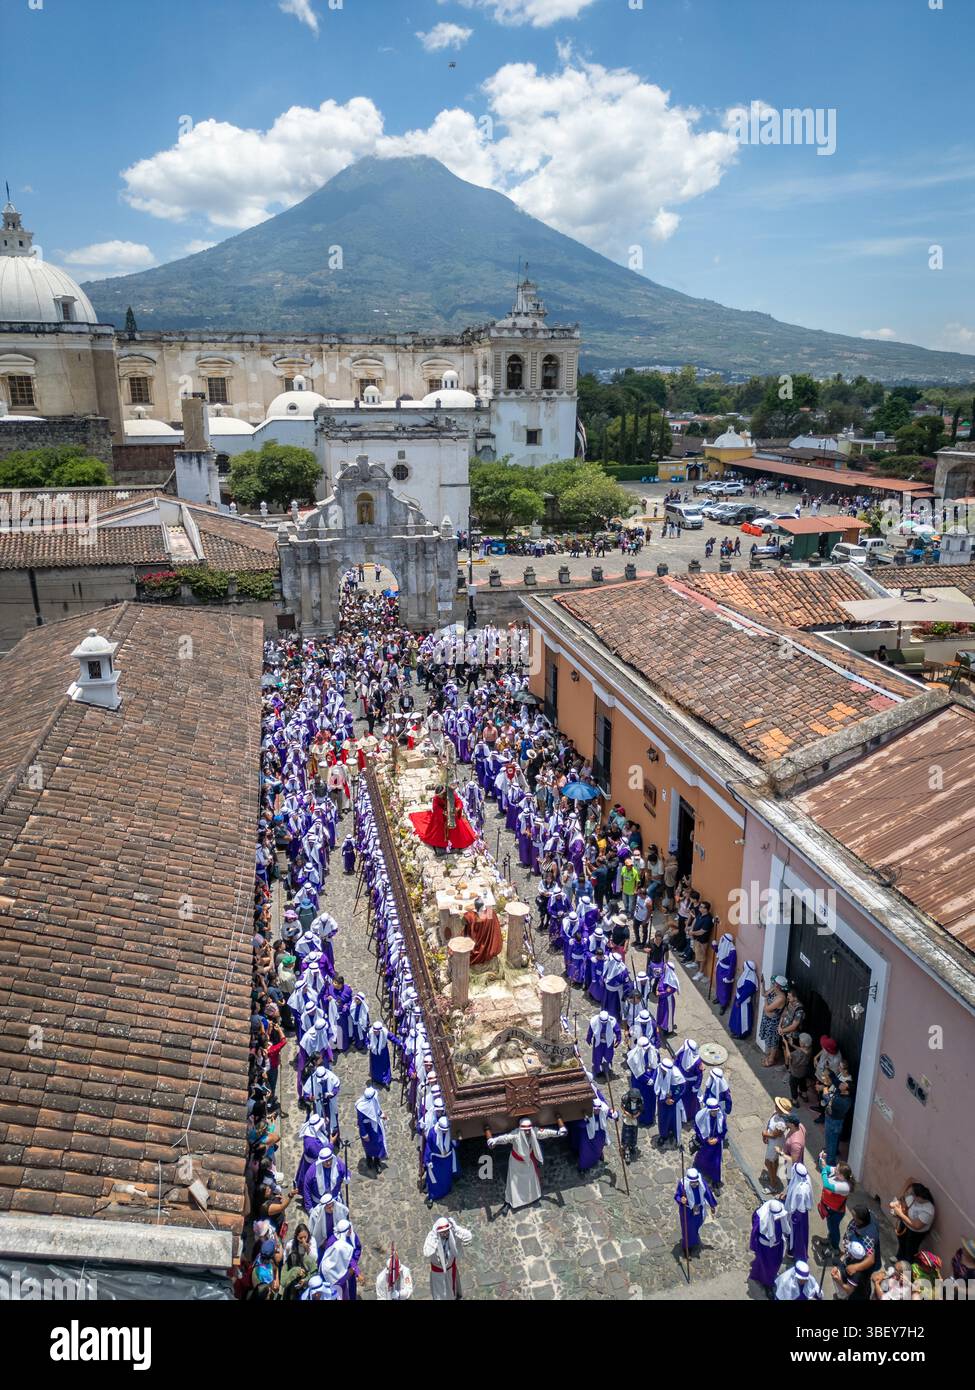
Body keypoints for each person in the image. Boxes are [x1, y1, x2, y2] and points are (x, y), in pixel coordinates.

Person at [486, 1116, 567, 1208]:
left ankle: (533, 1198)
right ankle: (512, 1201)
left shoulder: (534, 1131)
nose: (528, 1132)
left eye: (529, 1129)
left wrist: (557, 1132)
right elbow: (505, 1138)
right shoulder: (515, 1135)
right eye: (526, 1130)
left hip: (529, 1162)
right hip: (516, 1163)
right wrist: (494, 1140)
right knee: (514, 1182)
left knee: (531, 1181)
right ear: (521, 1129)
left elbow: (545, 1133)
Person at [424, 1216, 473, 1300]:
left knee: (453, 1291)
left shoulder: (452, 1234)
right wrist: (434, 1237)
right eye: (442, 1232)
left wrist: (457, 1228)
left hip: (451, 1269)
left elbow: (468, 1237)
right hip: (438, 1272)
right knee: (440, 1294)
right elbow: (427, 1253)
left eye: (446, 1231)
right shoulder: (432, 1237)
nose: (445, 1234)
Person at [748, 1198, 791, 1295]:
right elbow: (755, 1232)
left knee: (775, 1263)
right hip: (765, 1248)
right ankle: (767, 1284)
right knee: (768, 1266)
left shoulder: (781, 1210)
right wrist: (755, 1246)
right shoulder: (760, 1217)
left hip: (778, 1245)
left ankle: (763, 1277)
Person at [890, 1181, 936, 1263]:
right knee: (902, 1242)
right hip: (905, 1225)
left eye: (912, 1194)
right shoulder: (912, 1198)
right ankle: (899, 1257)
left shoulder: (928, 1210)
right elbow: (903, 1204)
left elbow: (916, 1226)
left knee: (910, 1251)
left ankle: (907, 1271)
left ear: (918, 1197)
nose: (910, 1195)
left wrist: (900, 1214)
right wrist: (896, 1205)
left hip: (915, 1233)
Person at [675, 1167, 717, 1256]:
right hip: (687, 1211)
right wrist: (680, 1200)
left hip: (699, 1209)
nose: (694, 1184)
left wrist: (712, 1205)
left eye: (696, 1182)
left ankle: (694, 1239)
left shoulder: (701, 1182)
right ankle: (687, 1247)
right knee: (687, 1230)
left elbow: (707, 1193)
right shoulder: (682, 1185)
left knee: (696, 1225)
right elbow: (677, 1196)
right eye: (692, 1182)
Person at [817, 1154, 854, 1253]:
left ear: (842, 1175)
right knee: (831, 1226)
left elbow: (826, 1185)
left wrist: (824, 1170)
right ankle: (830, 1240)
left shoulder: (845, 1186)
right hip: (829, 1208)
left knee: (834, 1228)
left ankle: (835, 1247)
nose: (834, 1170)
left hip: (836, 1212)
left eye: (837, 1170)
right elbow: (825, 1167)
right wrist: (822, 1159)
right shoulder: (839, 1172)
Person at [423, 1115, 459, 1202]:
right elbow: (428, 1147)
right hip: (436, 1160)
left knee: (446, 1176)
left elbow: (455, 1144)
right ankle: (433, 1195)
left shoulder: (450, 1131)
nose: (444, 1132)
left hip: (447, 1159)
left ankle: (446, 1190)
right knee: (434, 1179)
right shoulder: (432, 1133)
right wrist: (428, 1161)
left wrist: (455, 1141)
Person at [785, 1161, 814, 1262]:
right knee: (801, 1233)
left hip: (797, 1214)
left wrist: (791, 1213)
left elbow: (796, 1204)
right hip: (801, 1213)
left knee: (796, 1235)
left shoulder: (801, 1189)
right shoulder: (805, 1179)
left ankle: (794, 1252)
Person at [761, 1098, 791, 1193]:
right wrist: (766, 1134)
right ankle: (772, 1176)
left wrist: (764, 1134)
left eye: (778, 1106)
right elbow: (770, 1123)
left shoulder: (782, 1123)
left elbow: (775, 1135)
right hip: (772, 1141)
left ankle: (773, 1184)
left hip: (775, 1143)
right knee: (774, 1161)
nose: (775, 1106)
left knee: (768, 1162)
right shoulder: (776, 1113)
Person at [355, 1085, 388, 1171]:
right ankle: (369, 1160)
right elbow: (361, 1122)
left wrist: (382, 1115)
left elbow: (377, 1109)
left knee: (378, 1143)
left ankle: (377, 1162)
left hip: (376, 1128)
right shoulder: (361, 1107)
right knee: (368, 1146)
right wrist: (364, 1134)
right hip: (368, 1129)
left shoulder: (374, 1100)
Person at [758, 974, 788, 1065]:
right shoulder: (773, 990)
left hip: (773, 1022)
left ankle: (771, 1060)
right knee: (768, 1039)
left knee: (773, 1041)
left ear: (777, 986)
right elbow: (764, 994)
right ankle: (770, 1055)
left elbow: (767, 1009)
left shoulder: (781, 998)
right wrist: (763, 983)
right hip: (766, 1019)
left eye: (774, 983)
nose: (773, 984)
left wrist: (766, 1001)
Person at [728, 960, 759, 1038]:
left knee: (742, 1019)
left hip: (743, 1002)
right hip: (739, 999)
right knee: (737, 1017)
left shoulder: (750, 981)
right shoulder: (748, 976)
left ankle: (741, 1034)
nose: (743, 967)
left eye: (744, 966)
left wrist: (739, 1001)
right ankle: (735, 1030)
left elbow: (746, 993)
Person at [587, 1009, 622, 1077]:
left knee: (608, 1056)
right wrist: (589, 1039)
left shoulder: (612, 1021)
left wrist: (618, 1040)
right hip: (598, 1042)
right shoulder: (594, 1021)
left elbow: (618, 1032)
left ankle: (607, 1069)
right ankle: (598, 1070)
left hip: (608, 1042)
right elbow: (590, 1031)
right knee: (597, 1056)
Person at [783, 1031, 813, 1105]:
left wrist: (786, 1044)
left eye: (800, 1040)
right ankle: (804, 1096)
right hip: (803, 1072)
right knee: (802, 1083)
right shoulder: (809, 1049)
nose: (799, 1041)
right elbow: (802, 1049)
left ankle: (794, 1101)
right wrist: (792, 1044)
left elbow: (789, 1056)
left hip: (795, 1073)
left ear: (803, 1044)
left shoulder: (797, 1054)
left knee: (793, 1086)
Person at [710, 932, 736, 1013]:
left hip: (726, 971)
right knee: (719, 985)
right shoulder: (724, 945)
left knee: (725, 988)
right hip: (720, 968)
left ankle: (724, 1004)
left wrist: (729, 977)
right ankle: (718, 998)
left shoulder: (732, 951)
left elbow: (732, 966)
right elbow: (719, 951)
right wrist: (714, 945)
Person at [620, 1087, 643, 1163]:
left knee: (634, 1134)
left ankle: (632, 1146)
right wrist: (627, 1114)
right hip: (627, 1120)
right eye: (633, 1098)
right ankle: (627, 1152)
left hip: (634, 1120)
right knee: (626, 1136)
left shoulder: (640, 1101)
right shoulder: (625, 1099)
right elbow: (622, 1107)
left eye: (636, 1098)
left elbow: (640, 1110)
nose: (634, 1099)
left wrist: (634, 1116)